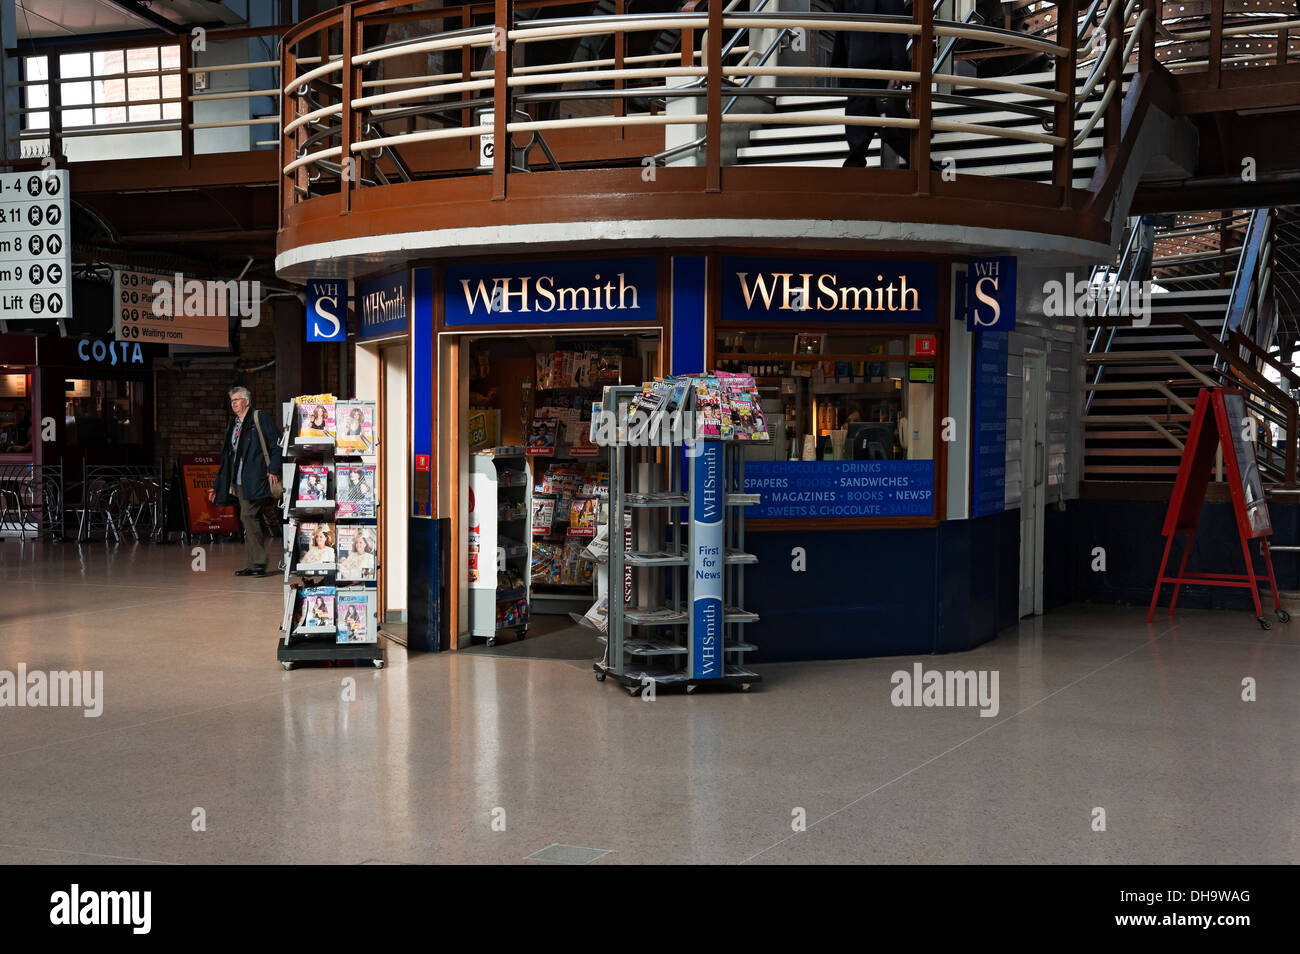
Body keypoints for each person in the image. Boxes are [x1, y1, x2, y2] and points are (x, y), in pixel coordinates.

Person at [209, 386, 282, 577]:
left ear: (247, 401)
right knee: (248, 518)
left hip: (258, 477)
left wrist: (273, 469)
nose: (233, 403)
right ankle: (252, 563)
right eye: (232, 400)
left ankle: (258, 562)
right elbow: (227, 456)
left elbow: (276, 445)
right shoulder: (233, 424)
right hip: (239, 480)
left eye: (237, 399)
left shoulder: (259, 418)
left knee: (248, 516)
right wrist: (217, 485)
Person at [832, 0, 913, 169]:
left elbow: (896, 20)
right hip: (857, 64)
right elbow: (843, 28)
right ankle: (854, 163)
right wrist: (841, 67)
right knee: (863, 114)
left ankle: (854, 164)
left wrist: (899, 67)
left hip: (879, 63)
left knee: (882, 118)